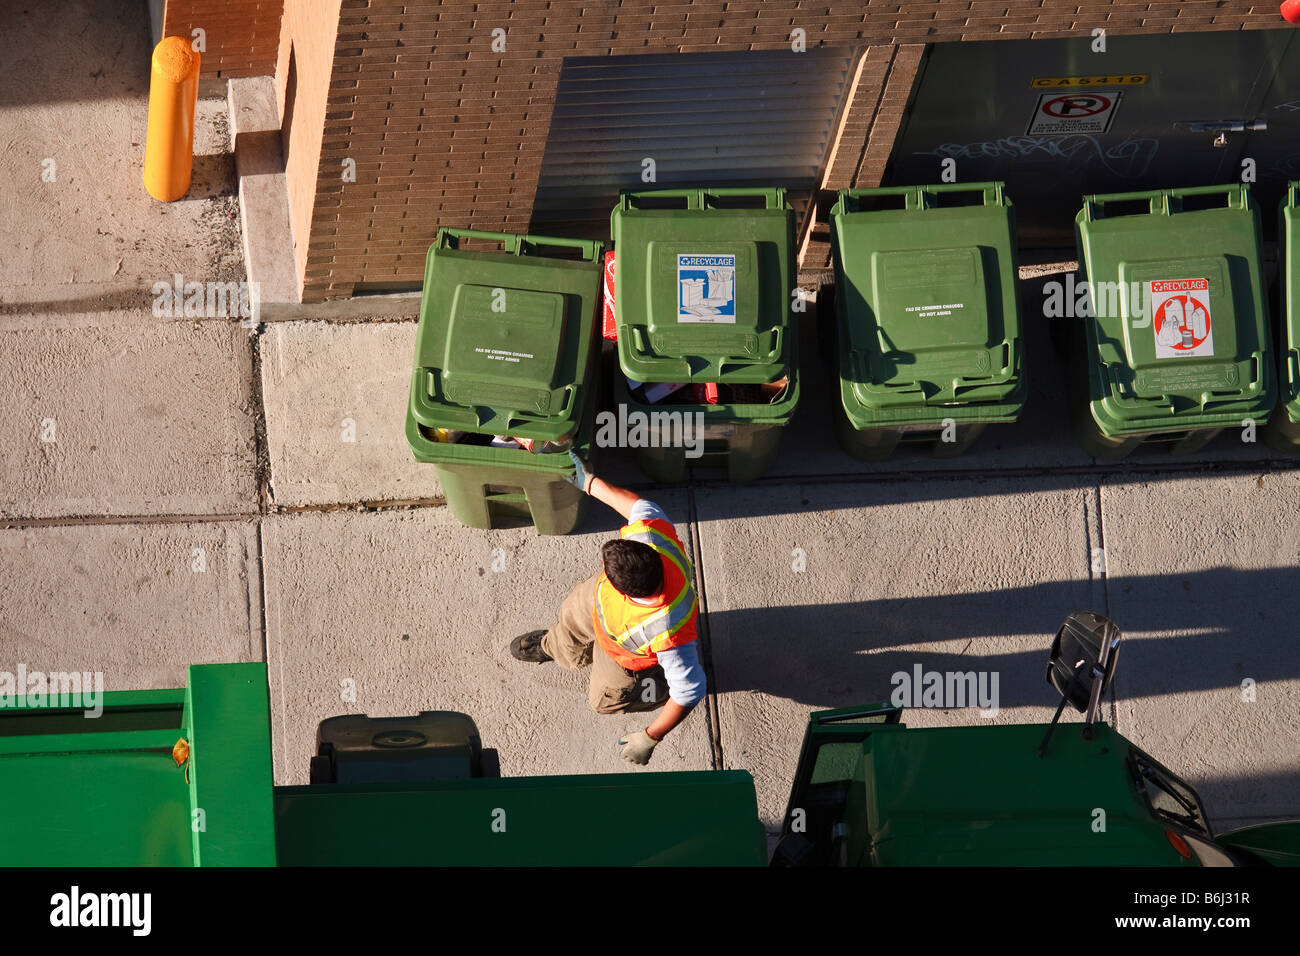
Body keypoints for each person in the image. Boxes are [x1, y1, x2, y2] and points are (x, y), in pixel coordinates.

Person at [508, 453, 705, 766]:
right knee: (570, 618)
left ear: (625, 591)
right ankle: (555, 647)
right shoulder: (652, 536)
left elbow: (691, 691)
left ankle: (656, 687)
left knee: (603, 701)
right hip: (598, 605)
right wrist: (588, 482)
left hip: (623, 655)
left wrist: (651, 736)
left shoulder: (669, 633)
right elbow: (633, 503)